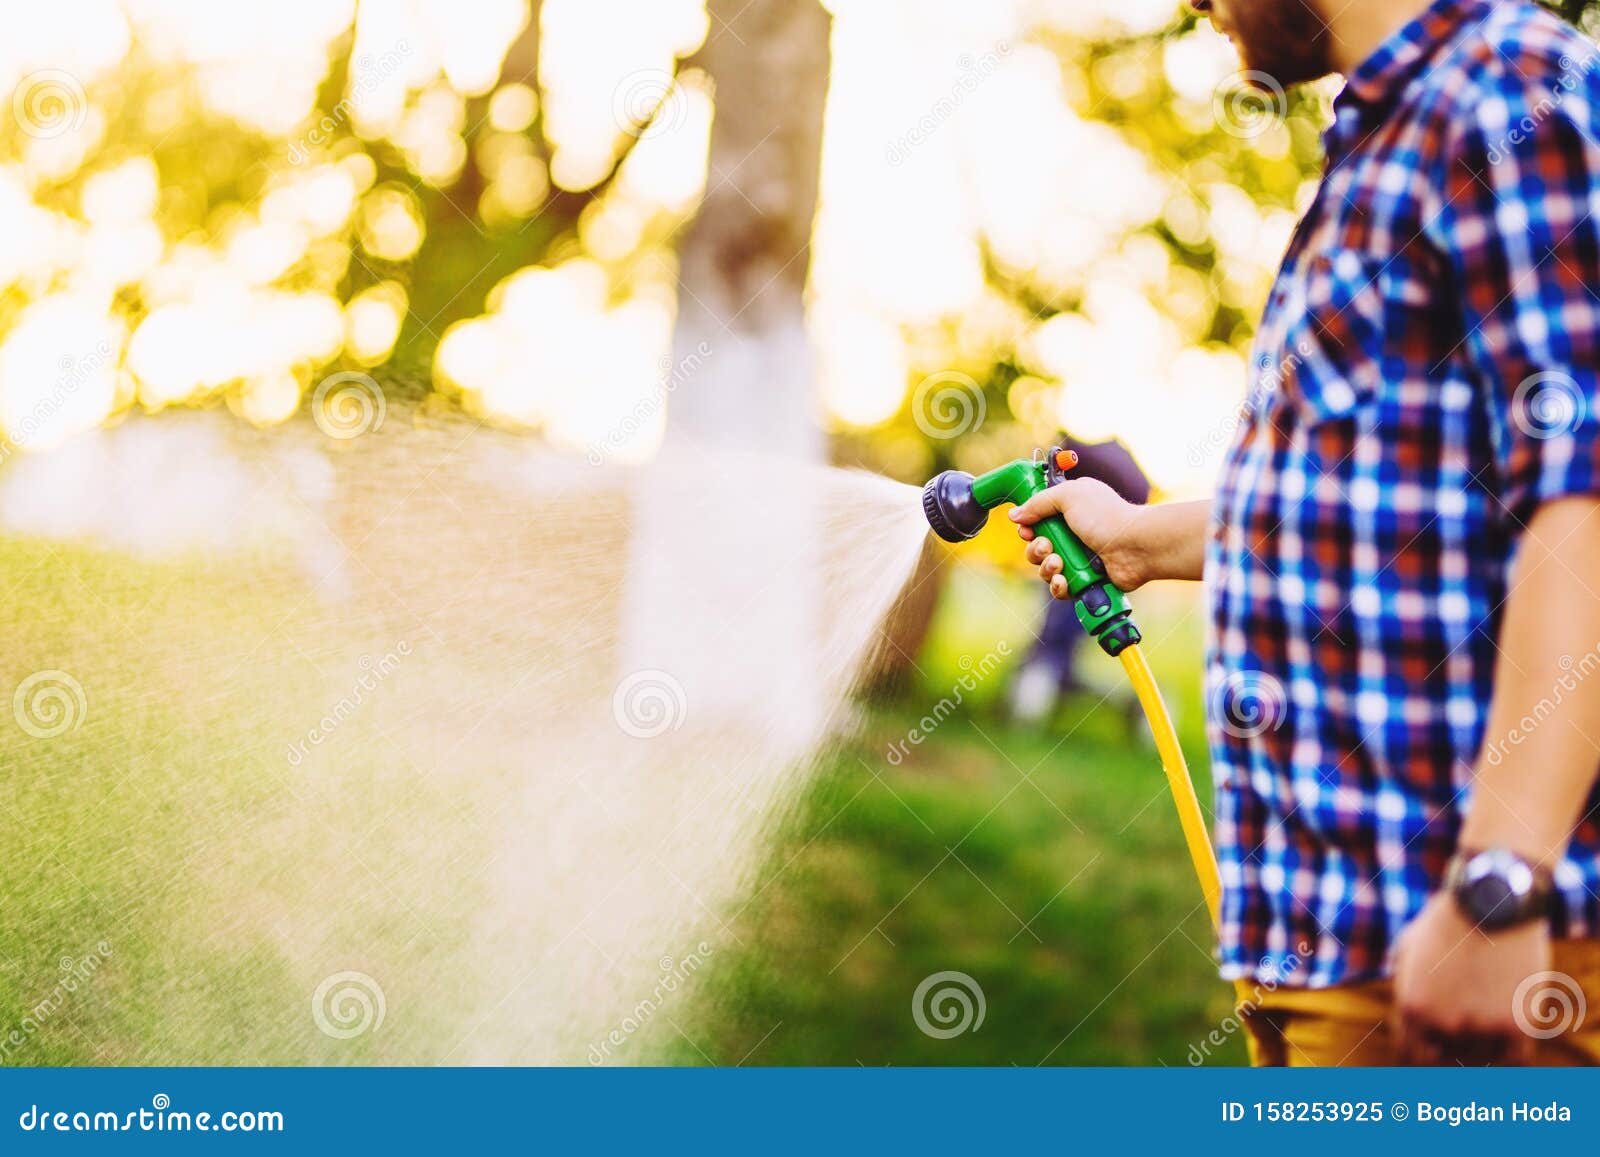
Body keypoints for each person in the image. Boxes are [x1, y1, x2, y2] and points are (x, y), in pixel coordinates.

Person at [1013, 0, 1600, 1065]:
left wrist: (1501, 882)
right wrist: (1141, 539)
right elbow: (1376, 515)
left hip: (1463, 954)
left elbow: (1585, 494)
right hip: (1331, 957)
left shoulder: (1505, 90)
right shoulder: (1384, 145)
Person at [1007, 434, 1151, 727]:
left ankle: (1032, 702)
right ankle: (1043, 683)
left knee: (1055, 645)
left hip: (1090, 563)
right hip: (1090, 559)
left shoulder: (1083, 460)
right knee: (1057, 641)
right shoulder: (1096, 461)